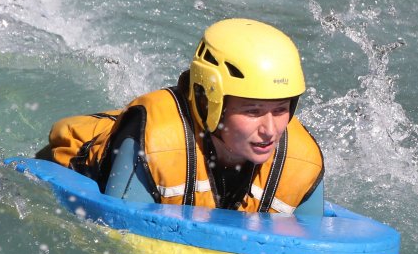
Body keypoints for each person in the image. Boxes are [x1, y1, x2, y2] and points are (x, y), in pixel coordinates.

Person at [38, 18, 325, 216]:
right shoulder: (155, 142)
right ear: (208, 101)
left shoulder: (302, 159)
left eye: (280, 109)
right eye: (252, 111)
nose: (271, 130)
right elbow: (117, 238)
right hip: (69, 164)